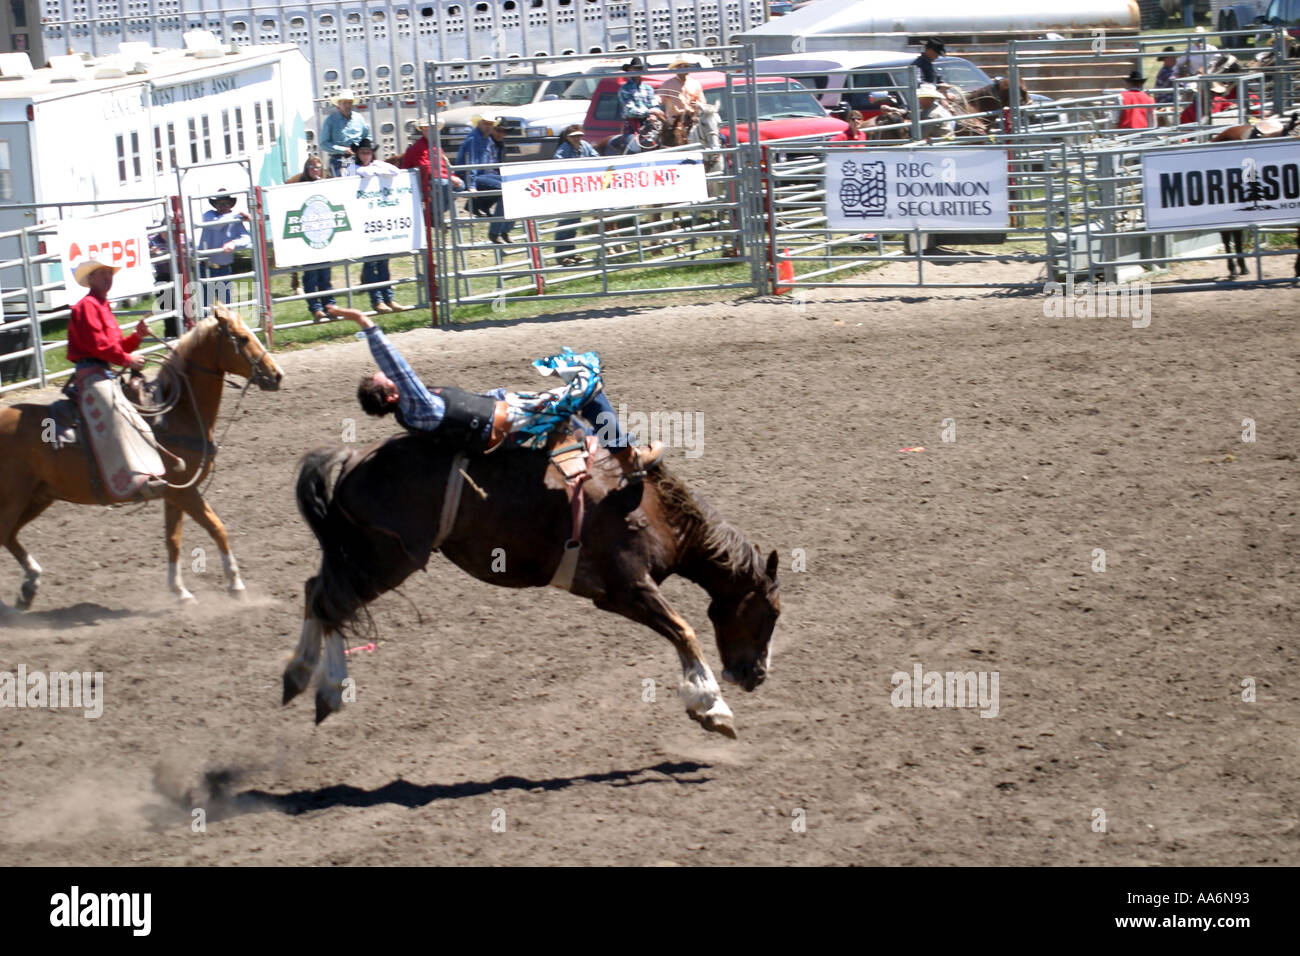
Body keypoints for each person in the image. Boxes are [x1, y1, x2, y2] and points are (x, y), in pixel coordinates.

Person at [348, 311, 662, 481]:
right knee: (587, 384)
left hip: (504, 416)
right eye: (386, 380)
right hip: (512, 421)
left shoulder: (411, 414)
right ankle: (628, 458)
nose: (392, 377)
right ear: (390, 397)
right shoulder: (415, 404)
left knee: (565, 403)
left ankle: (600, 448)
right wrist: (367, 325)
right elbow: (398, 365)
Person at [66, 258, 171, 500]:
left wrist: (136, 337)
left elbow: (115, 346)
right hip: (92, 375)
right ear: (90, 279)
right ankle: (131, 478)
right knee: (118, 412)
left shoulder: (102, 306)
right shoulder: (86, 307)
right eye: (101, 274)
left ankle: (144, 469)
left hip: (102, 372)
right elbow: (99, 346)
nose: (107, 277)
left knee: (133, 409)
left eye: (109, 273)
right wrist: (128, 360)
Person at [349, 138, 407, 314]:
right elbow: (363, 173)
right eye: (363, 152)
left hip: (379, 219)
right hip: (363, 220)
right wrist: (377, 170)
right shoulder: (352, 168)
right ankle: (377, 299)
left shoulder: (376, 165)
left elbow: (394, 171)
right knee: (370, 263)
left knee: (383, 261)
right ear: (357, 154)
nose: (366, 155)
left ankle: (388, 297)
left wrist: (376, 168)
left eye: (368, 152)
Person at [285, 157, 339, 321]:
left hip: (322, 233)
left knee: (325, 273)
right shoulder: (298, 187)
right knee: (311, 275)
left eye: (318, 167)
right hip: (307, 234)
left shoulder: (326, 184)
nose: (315, 170)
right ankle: (315, 308)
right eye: (311, 167)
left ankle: (329, 305)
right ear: (306, 168)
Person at [455, 114, 514, 244]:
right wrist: (472, 184)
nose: (488, 127)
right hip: (471, 177)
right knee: (504, 190)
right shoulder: (473, 139)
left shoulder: (486, 139)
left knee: (515, 186)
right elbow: (470, 163)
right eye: (485, 124)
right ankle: (495, 232)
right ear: (479, 124)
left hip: (483, 175)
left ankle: (505, 229)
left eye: (490, 124)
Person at [552, 125, 598, 267]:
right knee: (566, 222)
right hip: (567, 190)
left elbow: (596, 157)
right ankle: (561, 255)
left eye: (579, 136)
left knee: (574, 222)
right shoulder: (564, 149)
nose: (577, 139)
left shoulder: (585, 146)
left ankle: (570, 252)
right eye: (574, 136)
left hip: (579, 189)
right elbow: (557, 163)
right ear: (568, 138)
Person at [196, 190, 251, 310]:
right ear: (215, 205)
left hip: (223, 268)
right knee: (206, 307)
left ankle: (224, 328)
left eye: (226, 203)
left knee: (225, 308)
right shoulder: (209, 215)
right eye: (219, 203)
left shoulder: (235, 221)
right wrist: (238, 216)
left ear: (231, 205)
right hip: (206, 268)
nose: (222, 206)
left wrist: (234, 243)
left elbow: (247, 239)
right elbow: (218, 225)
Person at [401, 116, 464, 215]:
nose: (430, 130)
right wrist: (450, 177)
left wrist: (452, 177)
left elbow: (442, 166)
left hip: (433, 179)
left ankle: (432, 213)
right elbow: (427, 169)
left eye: (433, 127)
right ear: (422, 130)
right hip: (418, 182)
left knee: (460, 185)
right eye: (426, 128)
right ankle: (433, 215)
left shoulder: (435, 145)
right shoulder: (419, 147)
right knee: (443, 184)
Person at [320, 89, 371, 177]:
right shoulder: (330, 120)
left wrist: (365, 150)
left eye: (350, 102)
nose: (348, 105)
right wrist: (343, 150)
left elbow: (367, 137)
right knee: (346, 182)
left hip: (360, 159)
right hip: (339, 160)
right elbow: (323, 144)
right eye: (345, 103)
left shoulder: (359, 118)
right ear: (338, 104)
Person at [617, 57, 663, 136]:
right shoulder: (624, 89)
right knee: (633, 145)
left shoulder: (648, 88)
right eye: (635, 68)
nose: (638, 70)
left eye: (640, 68)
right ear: (630, 70)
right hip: (632, 124)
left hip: (650, 122)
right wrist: (649, 112)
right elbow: (629, 110)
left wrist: (653, 115)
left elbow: (654, 104)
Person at [659, 59, 705, 130]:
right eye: (682, 66)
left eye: (687, 66)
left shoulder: (695, 83)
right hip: (675, 120)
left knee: (714, 134)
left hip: (693, 118)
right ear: (677, 68)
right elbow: (659, 99)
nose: (685, 68)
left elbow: (703, 103)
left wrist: (696, 104)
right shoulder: (668, 84)